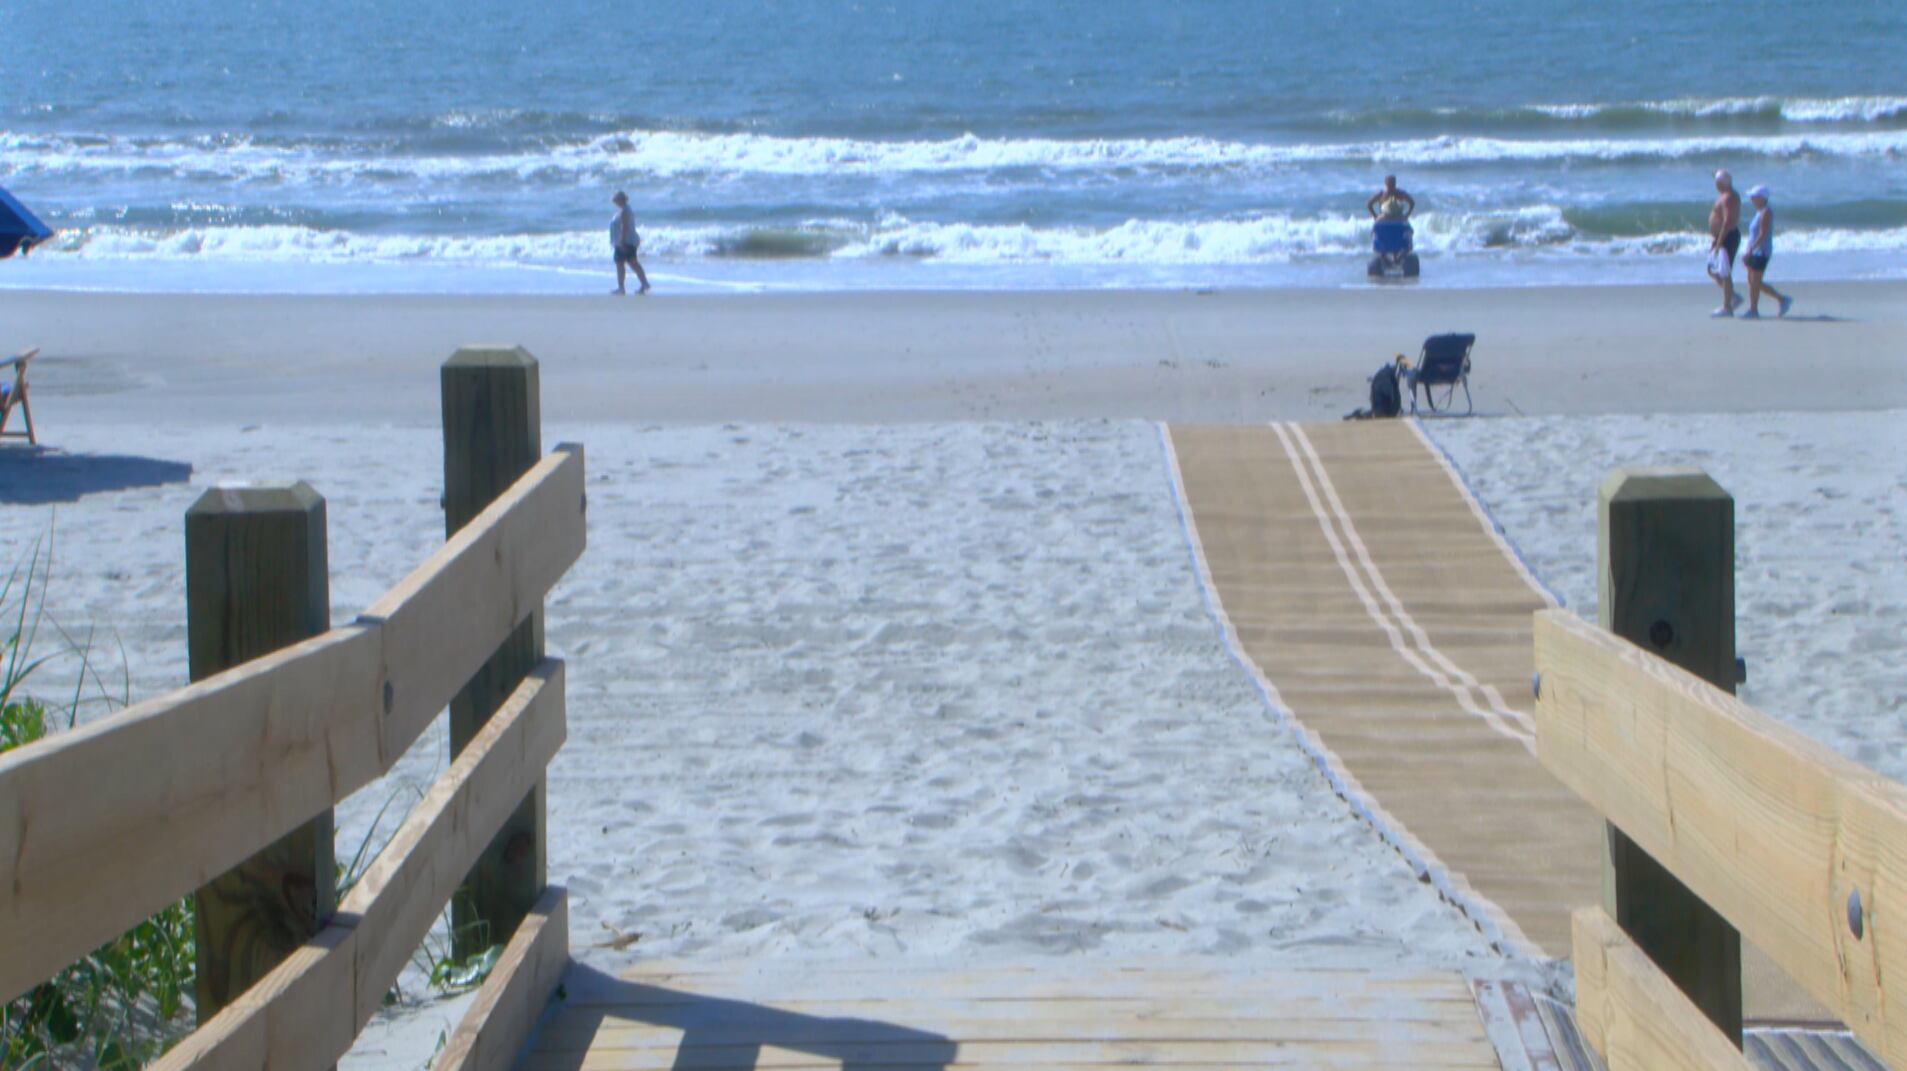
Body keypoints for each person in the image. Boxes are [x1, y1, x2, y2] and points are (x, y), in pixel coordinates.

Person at [1740, 185, 1793, 319]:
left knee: (1756, 282)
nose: (1751, 199)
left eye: (1753, 197)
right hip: (1754, 251)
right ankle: (1777, 301)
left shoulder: (1766, 212)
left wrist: (1751, 249)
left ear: (1761, 198)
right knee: (1752, 281)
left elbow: (1763, 234)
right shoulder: (1759, 212)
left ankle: (1757, 308)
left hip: (1761, 251)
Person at [1706, 170, 1743, 317]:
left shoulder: (1728, 197)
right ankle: (1732, 296)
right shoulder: (1726, 195)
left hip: (1727, 236)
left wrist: (1720, 241)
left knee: (1724, 271)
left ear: (1721, 183)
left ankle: (1727, 307)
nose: (1715, 185)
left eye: (1716, 182)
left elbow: (1728, 221)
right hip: (1721, 237)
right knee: (1712, 270)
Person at [610, 191, 649, 295]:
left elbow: (624, 227)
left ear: (621, 199)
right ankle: (644, 283)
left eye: (615, 199)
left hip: (625, 242)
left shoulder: (624, 211)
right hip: (628, 241)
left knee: (621, 264)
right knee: (632, 263)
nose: (614, 202)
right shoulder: (625, 209)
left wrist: (621, 242)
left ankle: (621, 288)